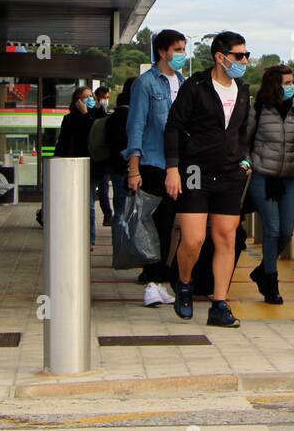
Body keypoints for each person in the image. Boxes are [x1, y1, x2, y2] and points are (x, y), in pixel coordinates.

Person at [163, 31, 253, 327]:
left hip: (230, 173)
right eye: (239, 55)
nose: (244, 61)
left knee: (227, 237)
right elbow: (174, 126)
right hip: (194, 171)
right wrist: (173, 168)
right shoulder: (196, 86)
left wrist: (244, 160)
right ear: (220, 57)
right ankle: (184, 283)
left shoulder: (243, 89)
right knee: (193, 240)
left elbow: (243, 131)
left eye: (246, 55)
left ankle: (219, 303)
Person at [125, 29, 187, 308]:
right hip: (152, 163)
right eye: (178, 49)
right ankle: (152, 282)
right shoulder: (146, 83)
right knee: (154, 225)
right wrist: (134, 168)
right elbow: (136, 125)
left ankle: (162, 281)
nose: (182, 55)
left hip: (178, 165)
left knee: (172, 226)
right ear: (162, 52)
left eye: (184, 49)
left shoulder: (185, 83)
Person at [246, 64, 294, 305]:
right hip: (262, 175)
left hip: (288, 177)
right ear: (274, 85)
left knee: (286, 231)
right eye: (285, 83)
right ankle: (271, 282)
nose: (290, 87)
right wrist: (248, 163)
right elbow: (245, 140)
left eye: (291, 83)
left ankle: (263, 269)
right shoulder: (258, 109)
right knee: (272, 229)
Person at [53, 84, 97, 246]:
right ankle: (72, 234)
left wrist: (86, 113)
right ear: (77, 100)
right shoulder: (69, 119)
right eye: (86, 97)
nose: (89, 99)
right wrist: (57, 159)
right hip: (71, 164)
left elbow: (92, 133)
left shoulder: (95, 116)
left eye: (91, 96)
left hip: (91, 165)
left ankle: (90, 238)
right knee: (71, 202)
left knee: (89, 203)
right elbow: (63, 141)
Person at [104, 88, 131, 221]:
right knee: (127, 206)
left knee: (119, 203)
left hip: (114, 166)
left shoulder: (111, 118)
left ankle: (117, 237)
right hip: (128, 166)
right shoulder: (130, 117)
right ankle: (123, 237)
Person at [88, 85, 113, 227]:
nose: (106, 100)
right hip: (94, 158)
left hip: (101, 159)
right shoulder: (94, 113)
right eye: (104, 97)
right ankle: (107, 215)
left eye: (107, 98)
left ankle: (108, 214)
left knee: (103, 188)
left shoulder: (103, 112)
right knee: (97, 189)